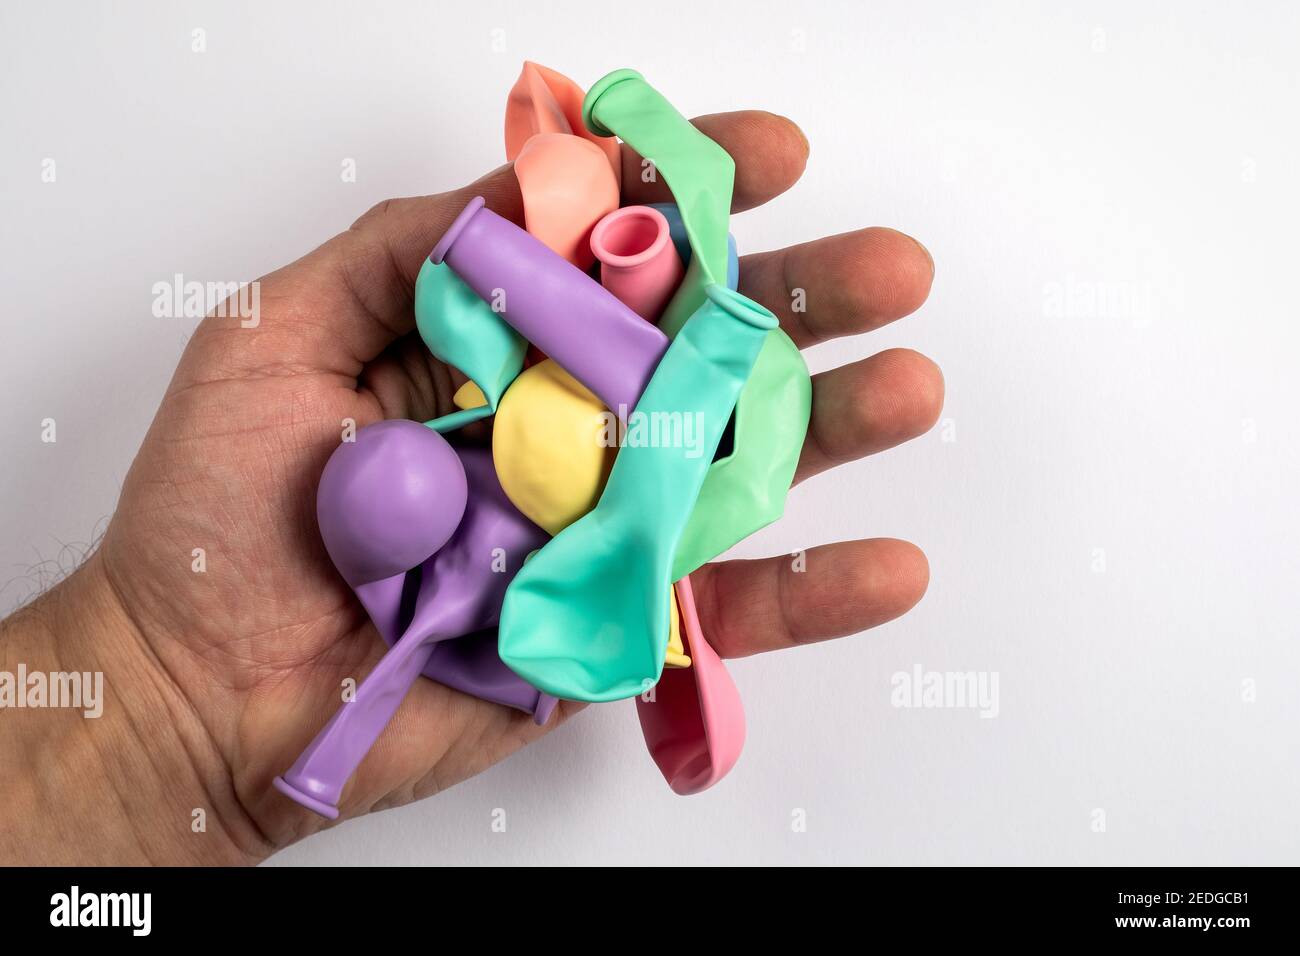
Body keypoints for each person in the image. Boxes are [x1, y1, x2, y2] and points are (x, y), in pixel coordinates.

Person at [0, 110, 941, 865]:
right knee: (421, 496)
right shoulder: (494, 454)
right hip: (518, 514)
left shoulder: (642, 436)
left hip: (546, 524)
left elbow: (657, 440)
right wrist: (151, 715)